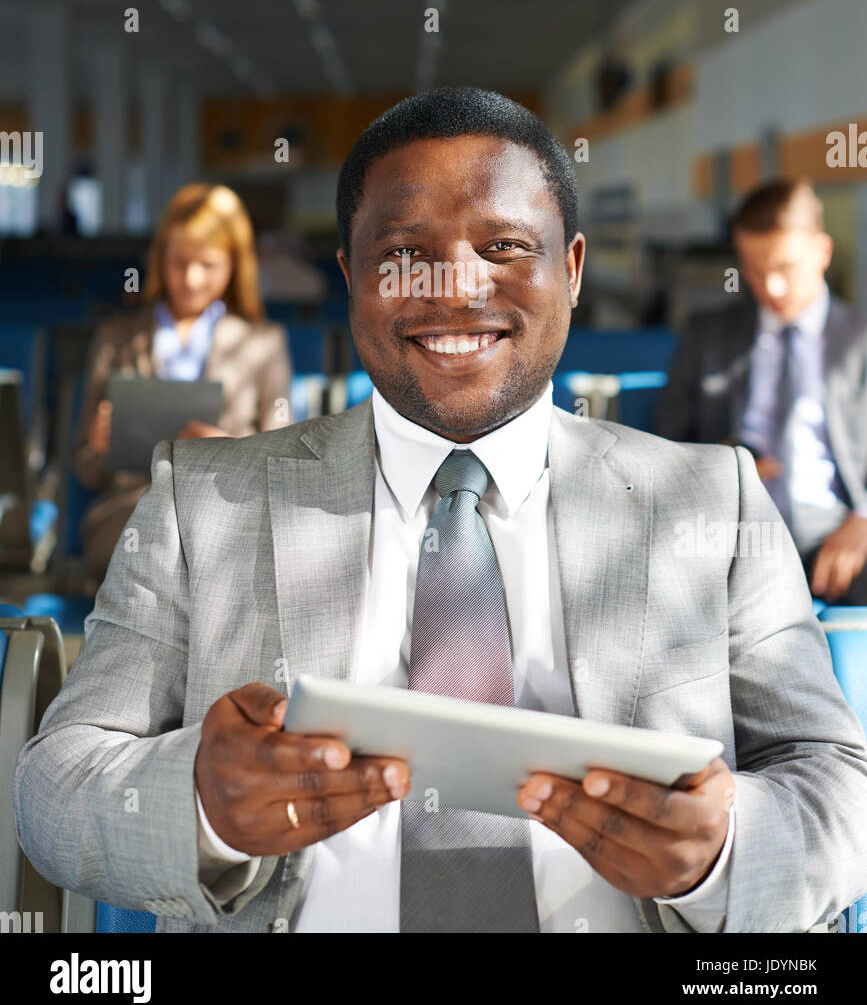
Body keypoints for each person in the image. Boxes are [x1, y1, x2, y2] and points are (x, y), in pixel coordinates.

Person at [15, 90, 867, 934]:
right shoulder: (202, 501)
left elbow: (833, 780)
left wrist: (719, 855)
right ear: (351, 277)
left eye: (501, 246)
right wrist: (201, 805)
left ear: (569, 270)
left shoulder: (708, 500)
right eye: (404, 254)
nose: (455, 290)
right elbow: (56, 791)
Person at [656, 178, 867, 605]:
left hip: (836, 527)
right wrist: (721, 459)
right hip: (726, 526)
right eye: (754, 268)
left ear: (822, 253)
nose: (770, 287)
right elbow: (664, 444)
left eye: (784, 268)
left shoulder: (860, 340)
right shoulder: (706, 333)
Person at [71, 182, 292, 582]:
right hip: (132, 509)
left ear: (233, 265)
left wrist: (227, 450)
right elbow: (84, 467)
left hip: (226, 506)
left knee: (206, 545)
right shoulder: (116, 337)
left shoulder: (263, 343)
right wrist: (101, 446)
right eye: (179, 263)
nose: (190, 279)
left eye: (207, 265)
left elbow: (284, 461)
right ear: (160, 260)